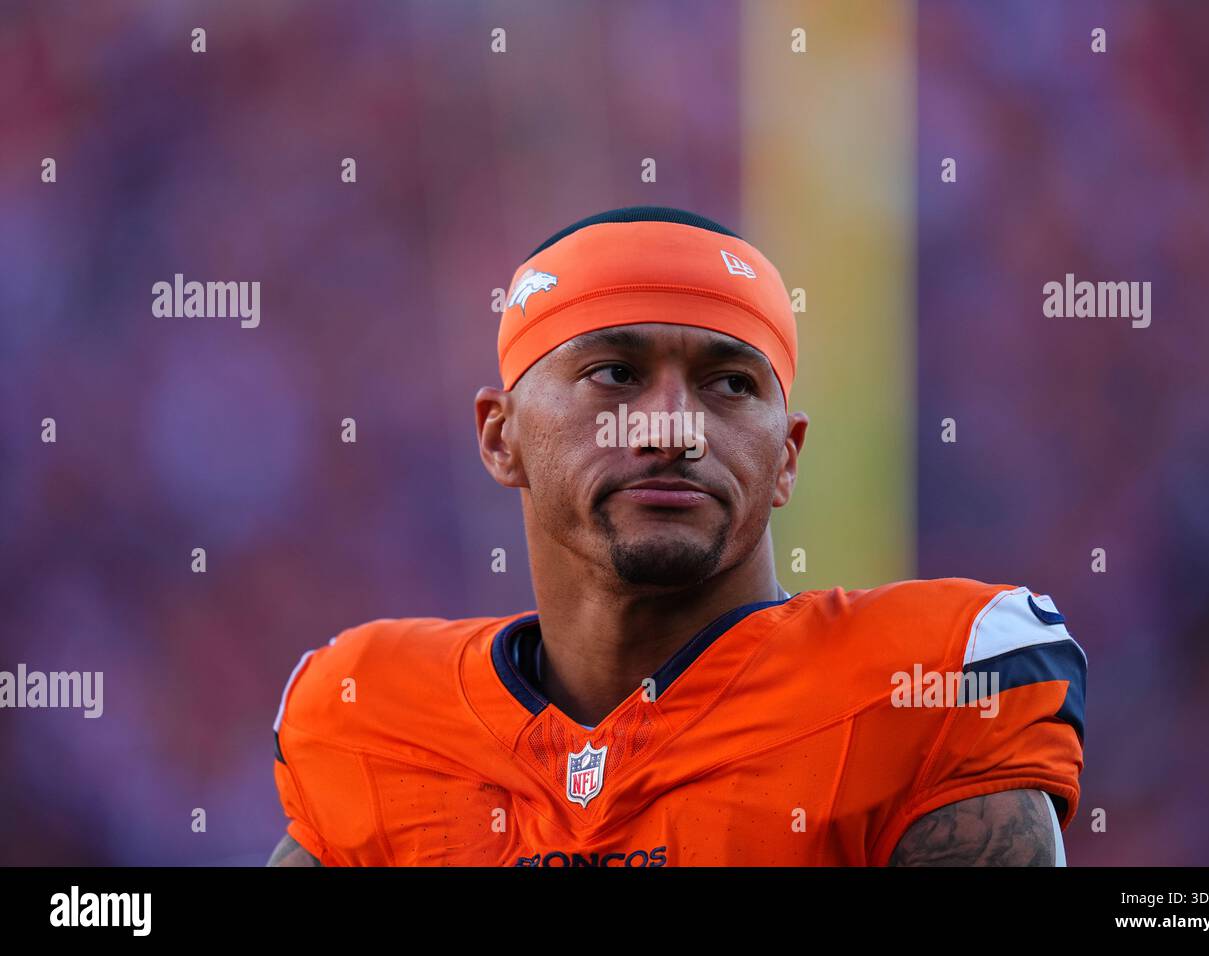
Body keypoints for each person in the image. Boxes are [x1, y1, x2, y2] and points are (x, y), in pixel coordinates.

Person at [268, 206, 1084, 866]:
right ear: (499, 437)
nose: (672, 430)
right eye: (614, 373)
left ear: (786, 457)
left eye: (729, 384)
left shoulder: (929, 689)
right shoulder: (368, 721)